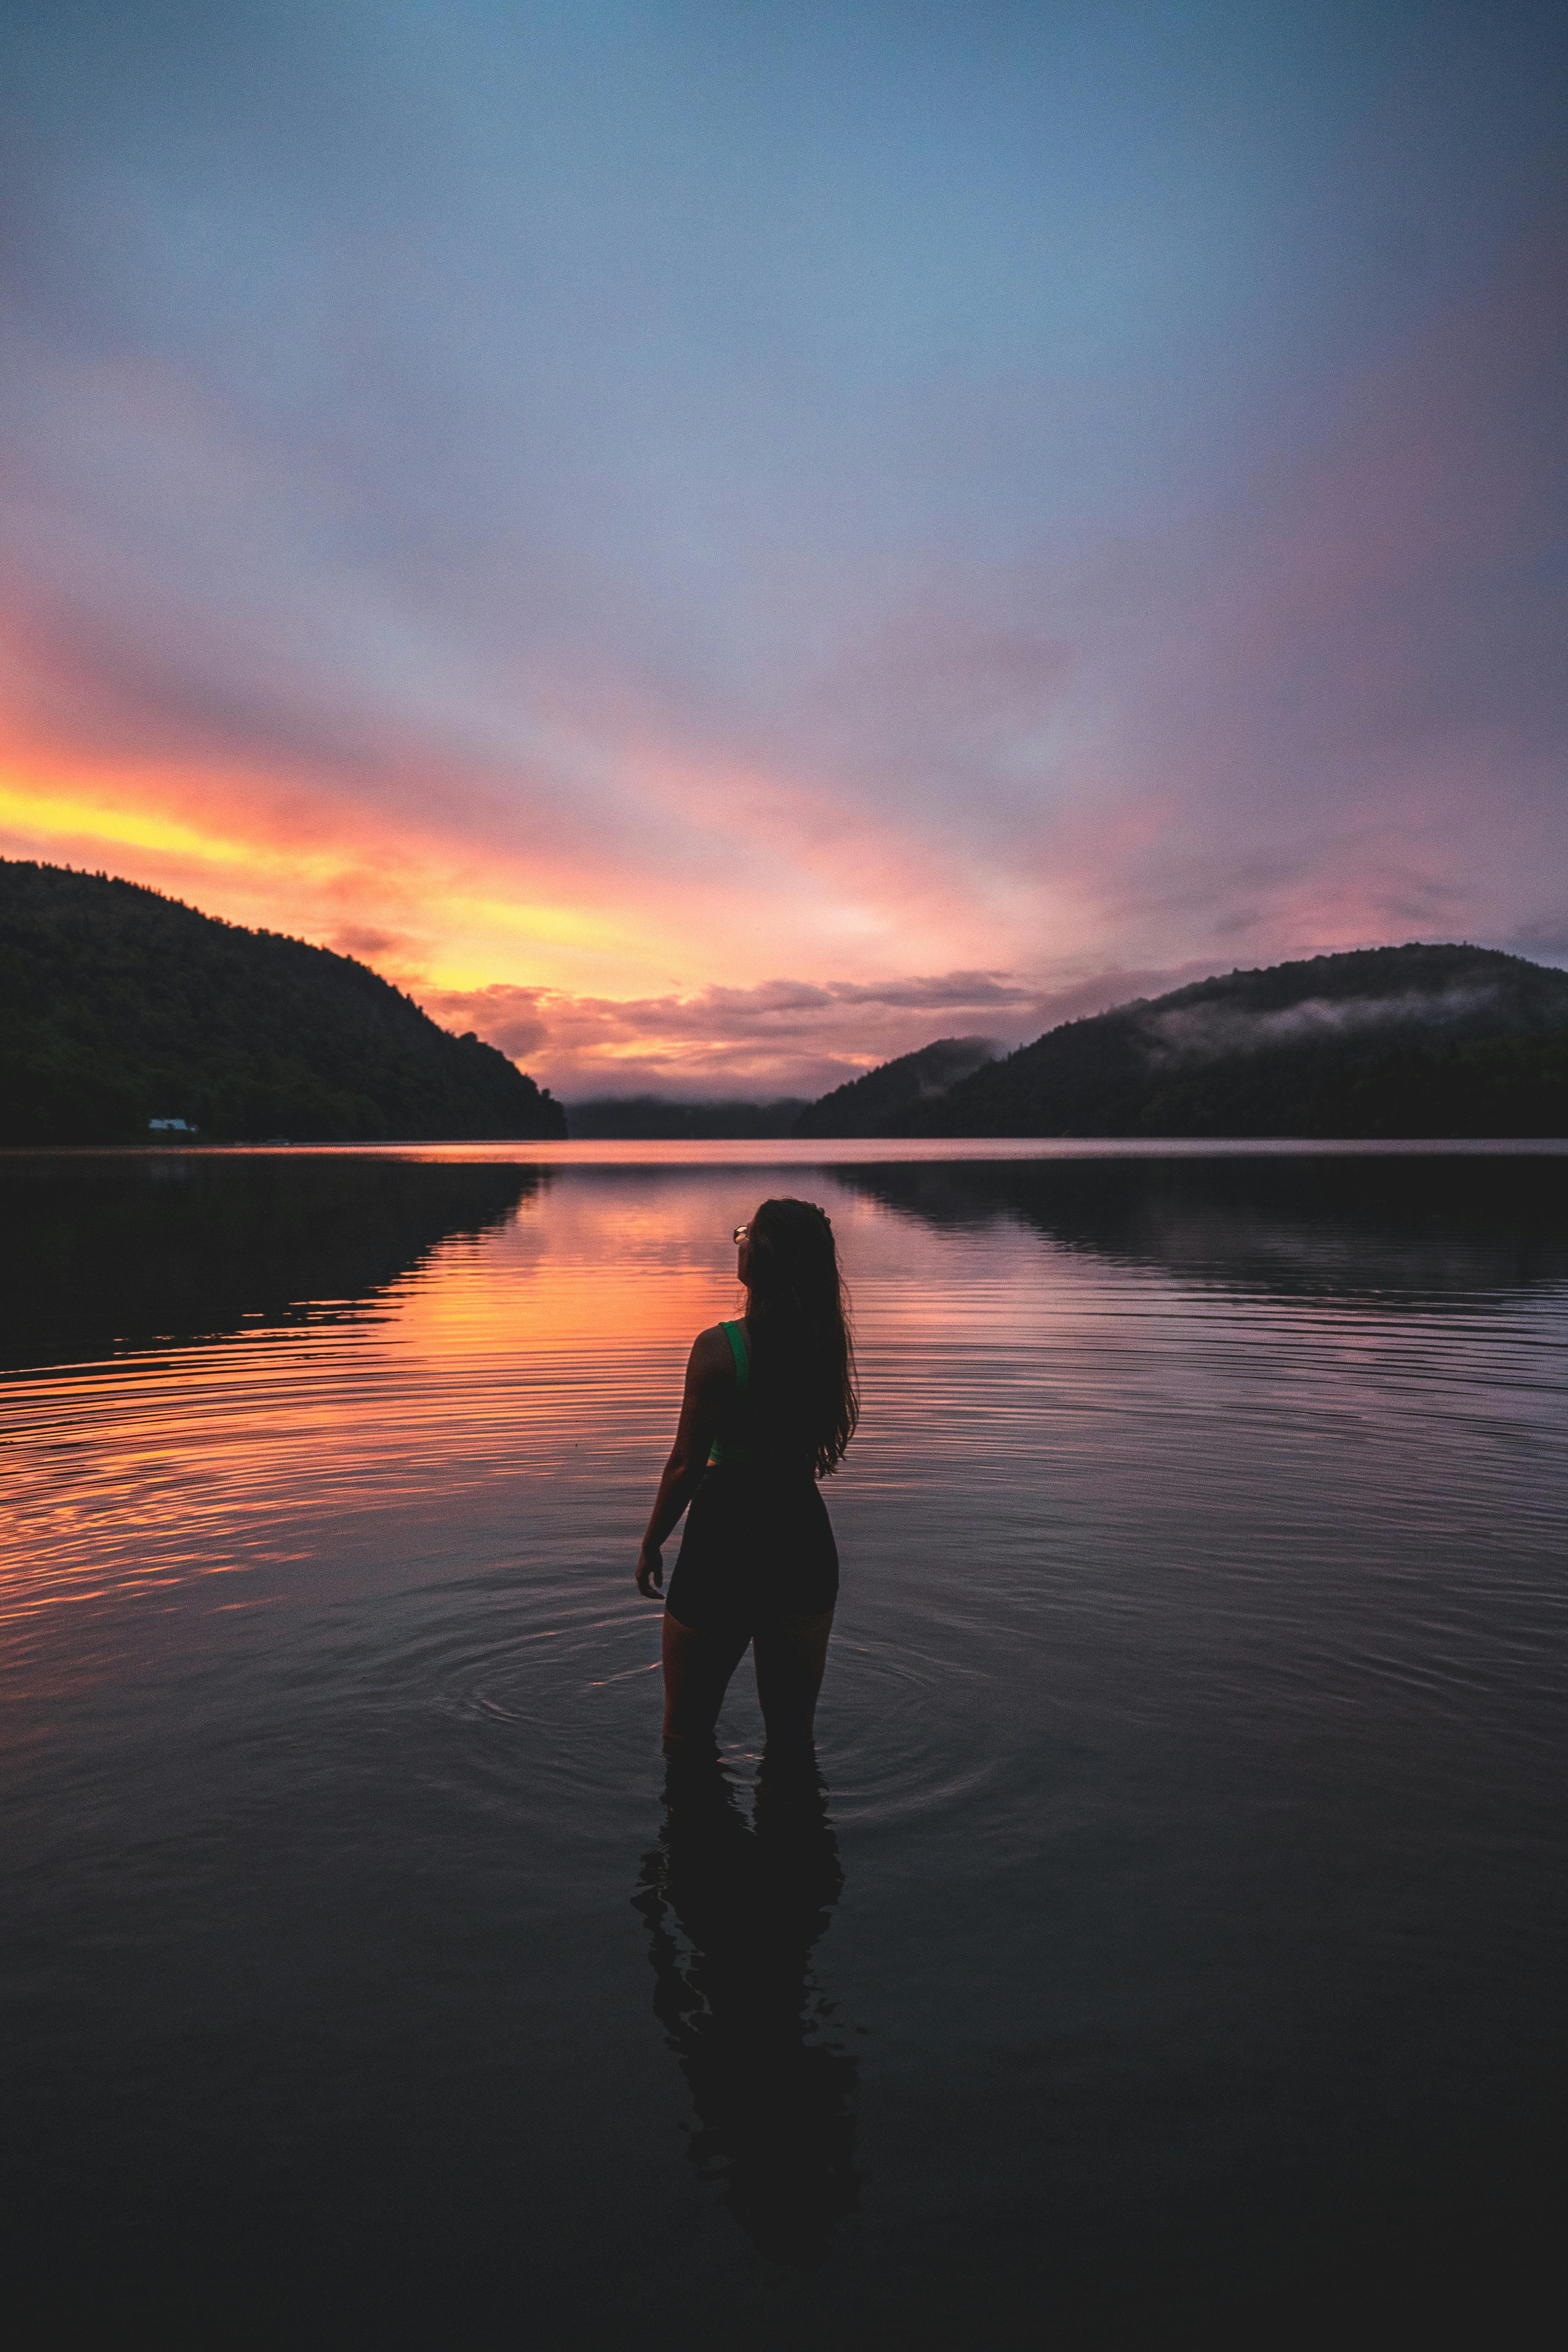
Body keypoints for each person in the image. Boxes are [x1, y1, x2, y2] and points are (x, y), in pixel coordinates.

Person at [635, 1197, 858, 1757]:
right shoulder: (825, 1344)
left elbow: (687, 1463)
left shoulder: (719, 1349)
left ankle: (696, 1840)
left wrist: (652, 1542)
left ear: (764, 1256)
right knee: (792, 1742)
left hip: (725, 1542)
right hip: (801, 1538)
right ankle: (795, 1838)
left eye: (746, 1235)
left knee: (685, 1735)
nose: (738, 1242)